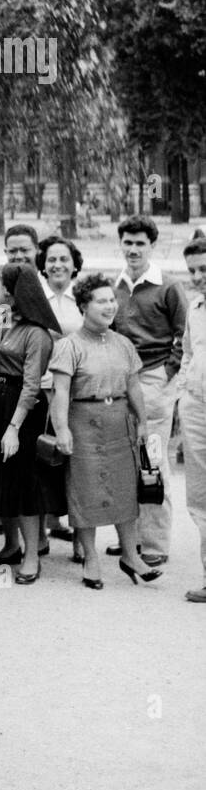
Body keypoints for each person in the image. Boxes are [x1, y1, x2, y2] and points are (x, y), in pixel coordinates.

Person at [49, 273, 158, 590]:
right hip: (83, 422)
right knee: (86, 491)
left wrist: (143, 422)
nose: (109, 306)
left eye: (112, 299)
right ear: (84, 305)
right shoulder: (69, 346)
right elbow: (60, 393)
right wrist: (62, 431)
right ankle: (91, 558)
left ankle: (130, 556)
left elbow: (134, 387)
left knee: (125, 489)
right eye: (101, 300)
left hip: (119, 421)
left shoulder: (123, 343)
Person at [0, 263, 63, 583]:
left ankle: (31, 555)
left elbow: (31, 386)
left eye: (0, 284)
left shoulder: (37, 334)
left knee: (23, 481)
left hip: (20, 409)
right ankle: (10, 545)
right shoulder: (1, 314)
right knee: (1, 476)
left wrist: (13, 428)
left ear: (14, 292)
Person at [111, 215, 186, 567]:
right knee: (127, 460)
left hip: (154, 379)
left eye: (140, 243)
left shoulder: (168, 286)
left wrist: (168, 371)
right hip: (122, 379)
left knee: (150, 459)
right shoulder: (117, 285)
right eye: (128, 243)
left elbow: (183, 336)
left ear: (152, 246)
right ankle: (133, 539)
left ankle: (154, 543)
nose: (134, 249)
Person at [37, 233, 85, 554]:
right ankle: (39, 534)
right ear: (43, 264)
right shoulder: (31, 297)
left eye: (63, 259)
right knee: (41, 459)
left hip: (76, 391)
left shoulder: (83, 298)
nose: (57, 265)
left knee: (77, 463)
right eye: (51, 259)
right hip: (39, 390)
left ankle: (82, 539)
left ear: (74, 265)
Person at [175, 237, 206, 603]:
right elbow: (186, 353)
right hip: (197, 409)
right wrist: (184, 394)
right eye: (193, 271)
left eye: (204, 270)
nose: (198, 277)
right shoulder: (195, 307)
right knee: (200, 498)